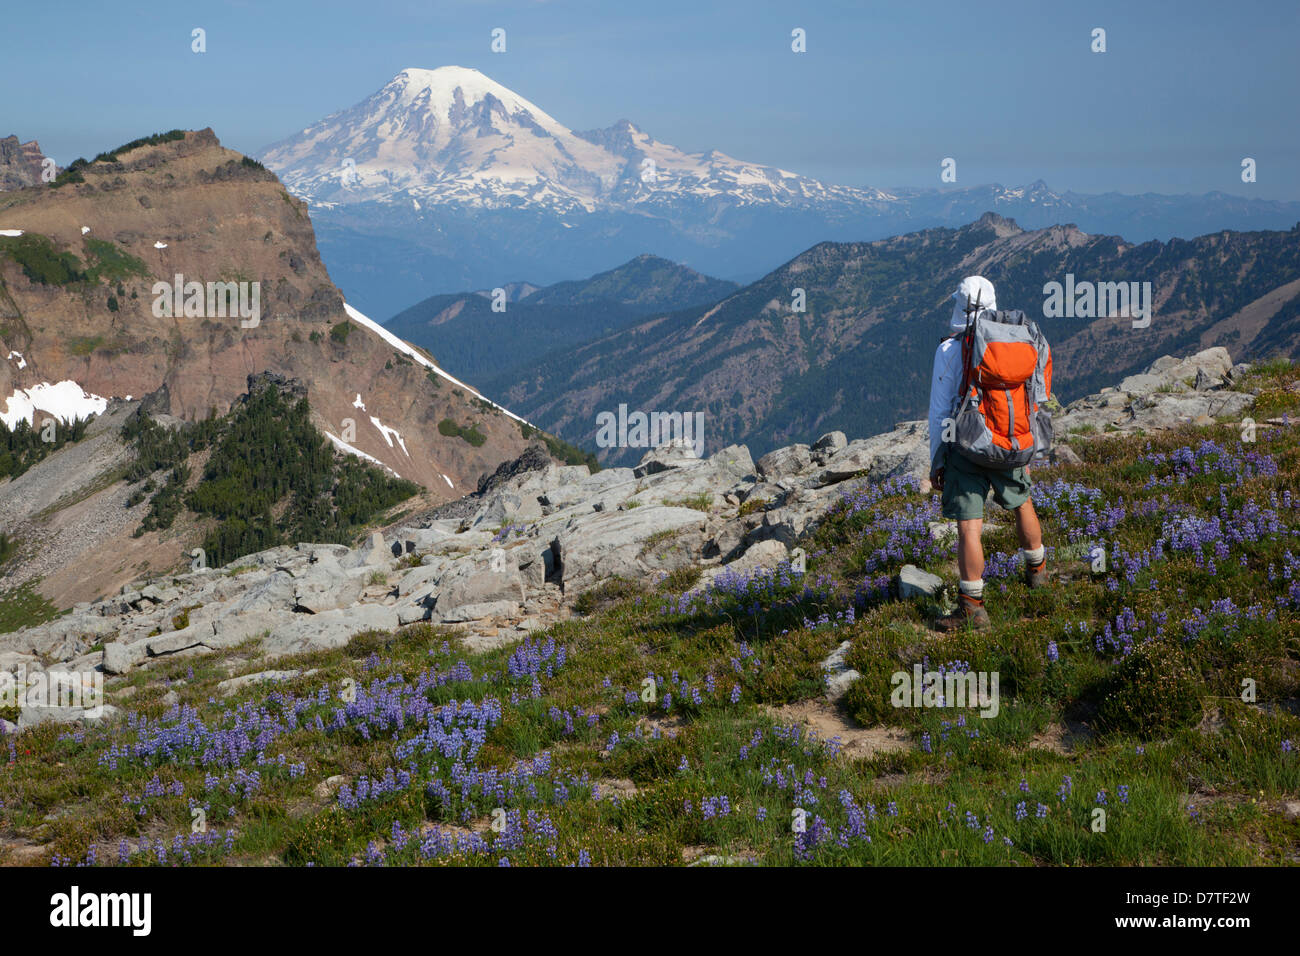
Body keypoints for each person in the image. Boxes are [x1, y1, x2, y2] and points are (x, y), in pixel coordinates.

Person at [927, 276, 1048, 631]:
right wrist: (1025, 440)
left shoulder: (950, 349)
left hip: (969, 447)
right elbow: (1037, 393)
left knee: (970, 527)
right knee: (1023, 502)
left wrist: (937, 458)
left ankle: (972, 608)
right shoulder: (1023, 338)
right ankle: (1038, 573)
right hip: (1012, 440)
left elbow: (939, 411)